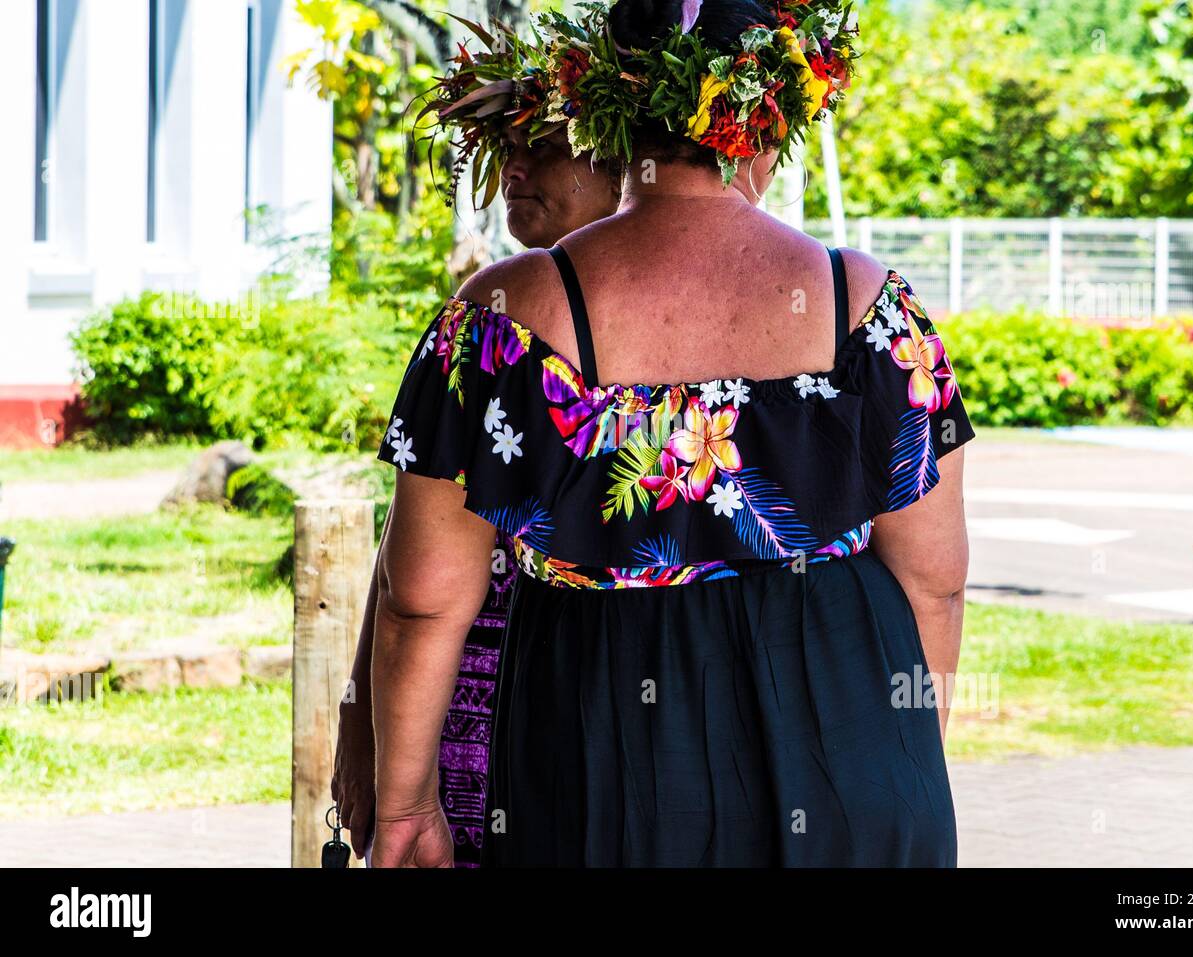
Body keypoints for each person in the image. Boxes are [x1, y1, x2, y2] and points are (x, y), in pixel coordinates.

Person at [370, 0, 975, 867]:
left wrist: (406, 804)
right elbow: (936, 581)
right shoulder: (870, 310)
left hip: (598, 759)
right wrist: (906, 759)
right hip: (854, 753)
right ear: (773, 121)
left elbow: (424, 596)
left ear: (604, 119)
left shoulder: (509, 314)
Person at [331, 120, 622, 866]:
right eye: (503, 151)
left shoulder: (693, 322)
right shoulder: (491, 313)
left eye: (543, 147)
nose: (513, 171)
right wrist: (360, 712)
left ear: (622, 159)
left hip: (573, 702)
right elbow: (409, 562)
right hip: (460, 683)